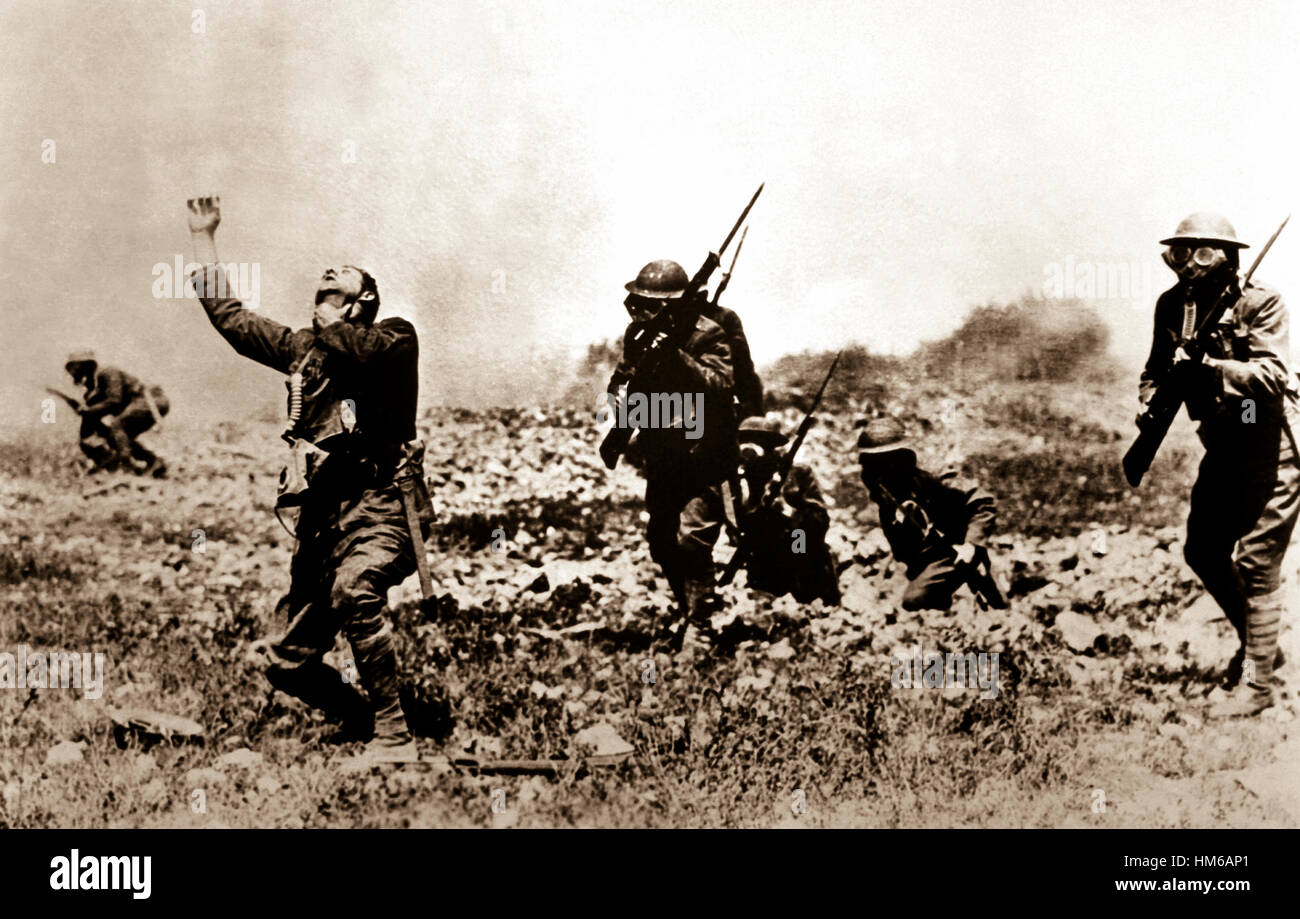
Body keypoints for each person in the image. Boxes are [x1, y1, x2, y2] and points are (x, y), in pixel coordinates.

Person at [185, 194, 431, 765]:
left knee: (355, 590)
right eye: (325, 274)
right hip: (322, 516)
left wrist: (327, 325)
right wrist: (204, 239)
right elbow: (232, 319)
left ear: (363, 298)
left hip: (382, 503)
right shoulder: (303, 349)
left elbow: (361, 351)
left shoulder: (394, 336)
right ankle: (366, 720)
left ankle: (394, 738)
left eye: (341, 275)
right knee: (287, 660)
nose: (327, 272)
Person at [1138, 212, 1297, 718]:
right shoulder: (1171, 306)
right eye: (1178, 253)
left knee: (1255, 563)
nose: (1187, 264)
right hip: (1225, 444)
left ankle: (1257, 684)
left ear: (1225, 257)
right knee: (1204, 549)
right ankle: (1259, 652)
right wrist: (1149, 401)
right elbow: (1154, 370)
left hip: (1272, 443)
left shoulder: (1260, 301)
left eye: (1201, 253)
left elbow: (1272, 376)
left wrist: (1210, 368)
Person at [611, 259, 735, 646]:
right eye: (636, 304)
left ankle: (701, 630)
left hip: (703, 458)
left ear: (671, 306)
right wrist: (623, 396)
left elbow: (721, 386)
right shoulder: (638, 335)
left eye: (649, 305)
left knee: (692, 541)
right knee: (662, 542)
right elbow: (622, 379)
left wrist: (677, 357)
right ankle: (689, 614)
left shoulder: (707, 334)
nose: (640, 312)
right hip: (663, 455)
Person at [856, 415, 1003, 612]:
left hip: (954, 549)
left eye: (885, 461)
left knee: (913, 600)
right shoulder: (882, 486)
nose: (878, 470)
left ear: (902, 458)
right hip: (923, 554)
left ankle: (984, 583)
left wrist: (971, 545)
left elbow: (982, 502)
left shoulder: (932, 477)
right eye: (872, 463)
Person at [727, 414, 840, 605]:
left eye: (758, 442)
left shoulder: (796, 472)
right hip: (766, 566)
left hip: (801, 553)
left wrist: (789, 514)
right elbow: (736, 526)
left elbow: (820, 520)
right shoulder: (740, 480)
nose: (749, 449)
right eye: (745, 442)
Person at [64, 351, 169, 476]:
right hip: (141, 403)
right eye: (72, 368)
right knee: (116, 436)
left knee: (117, 425)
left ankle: (126, 466)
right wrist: (88, 438)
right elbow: (91, 420)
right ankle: (153, 461)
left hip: (152, 401)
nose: (74, 372)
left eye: (76, 367)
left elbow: (114, 400)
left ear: (88, 365)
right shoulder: (94, 389)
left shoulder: (107, 372)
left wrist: (88, 411)